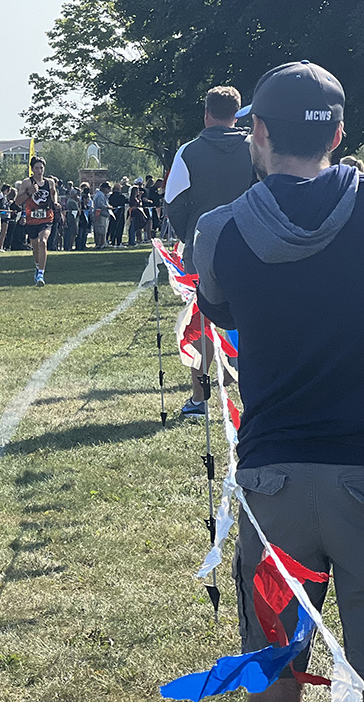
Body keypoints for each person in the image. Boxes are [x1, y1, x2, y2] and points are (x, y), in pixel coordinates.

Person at [191, 60, 361, 702]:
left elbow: (222, 313)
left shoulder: (220, 230)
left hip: (272, 481)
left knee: (274, 675)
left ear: (255, 130)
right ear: (338, 134)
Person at [165, 85, 255, 419]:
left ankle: (199, 399)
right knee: (251, 322)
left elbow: (173, 202)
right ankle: (254, 395)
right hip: (249, 246)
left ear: (206, 113)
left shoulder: (188, 152)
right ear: (237, 113)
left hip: (202, 248)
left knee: (200, 324)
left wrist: (188, 232)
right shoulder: (255, 147)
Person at [15, 156, 58, 286]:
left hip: (46, 217)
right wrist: (30, 193)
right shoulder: (27, 183)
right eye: (37, 168)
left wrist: (55, 202)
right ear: (32, 169)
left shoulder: (49, 182)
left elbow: (53, 192)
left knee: (43, 241)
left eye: (41, 168)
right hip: (31, 219)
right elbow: (17, 201)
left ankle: (41, 274)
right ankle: (38, 266)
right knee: (35, 247)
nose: (39, 171)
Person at [92, 181, 111, 249]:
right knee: (101, 230)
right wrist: (107, 207)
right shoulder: (100, 195)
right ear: (103, 188)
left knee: (102, 230)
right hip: (100, 214)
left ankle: (102, 243)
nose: (108, 190)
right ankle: (100, 244)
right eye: (107, 188)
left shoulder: (102, 195)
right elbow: (100, 204)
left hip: (102, 214)